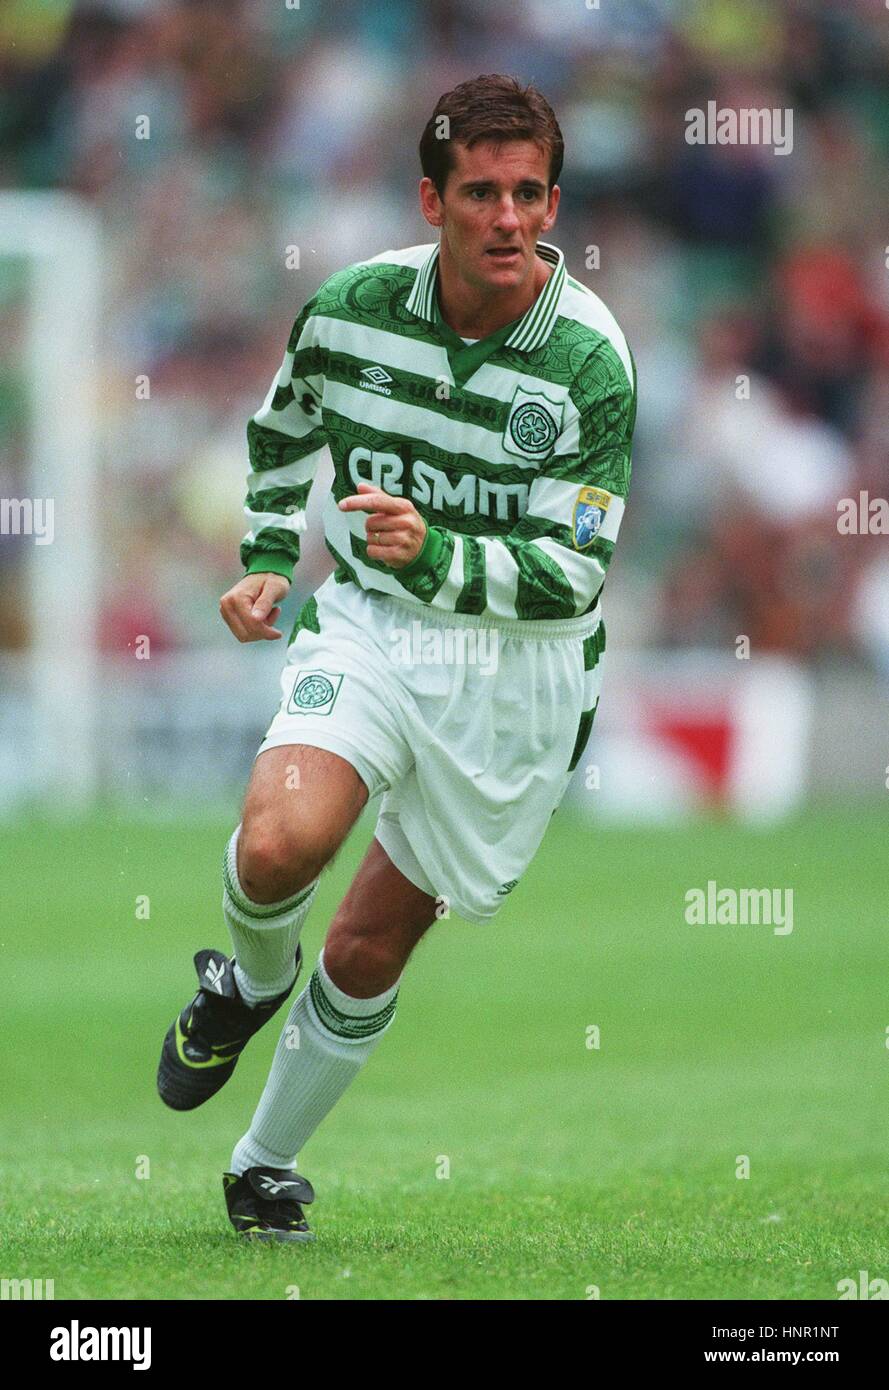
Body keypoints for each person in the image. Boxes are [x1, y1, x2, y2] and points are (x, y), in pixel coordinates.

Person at [156, 73, 636, 1242]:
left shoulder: (588, 362)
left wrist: (436, 550)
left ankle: (263, 1164)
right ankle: (250, 981)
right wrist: (272, 553)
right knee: (277, 843)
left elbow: (573, 574)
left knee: (369, 941)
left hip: (517, 673)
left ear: (553, 203)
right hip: (373, 624)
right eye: (481, 192)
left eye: (529, 193)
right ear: (432, 201)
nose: (508, 218)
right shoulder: (351, 308)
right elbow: (281, 431)